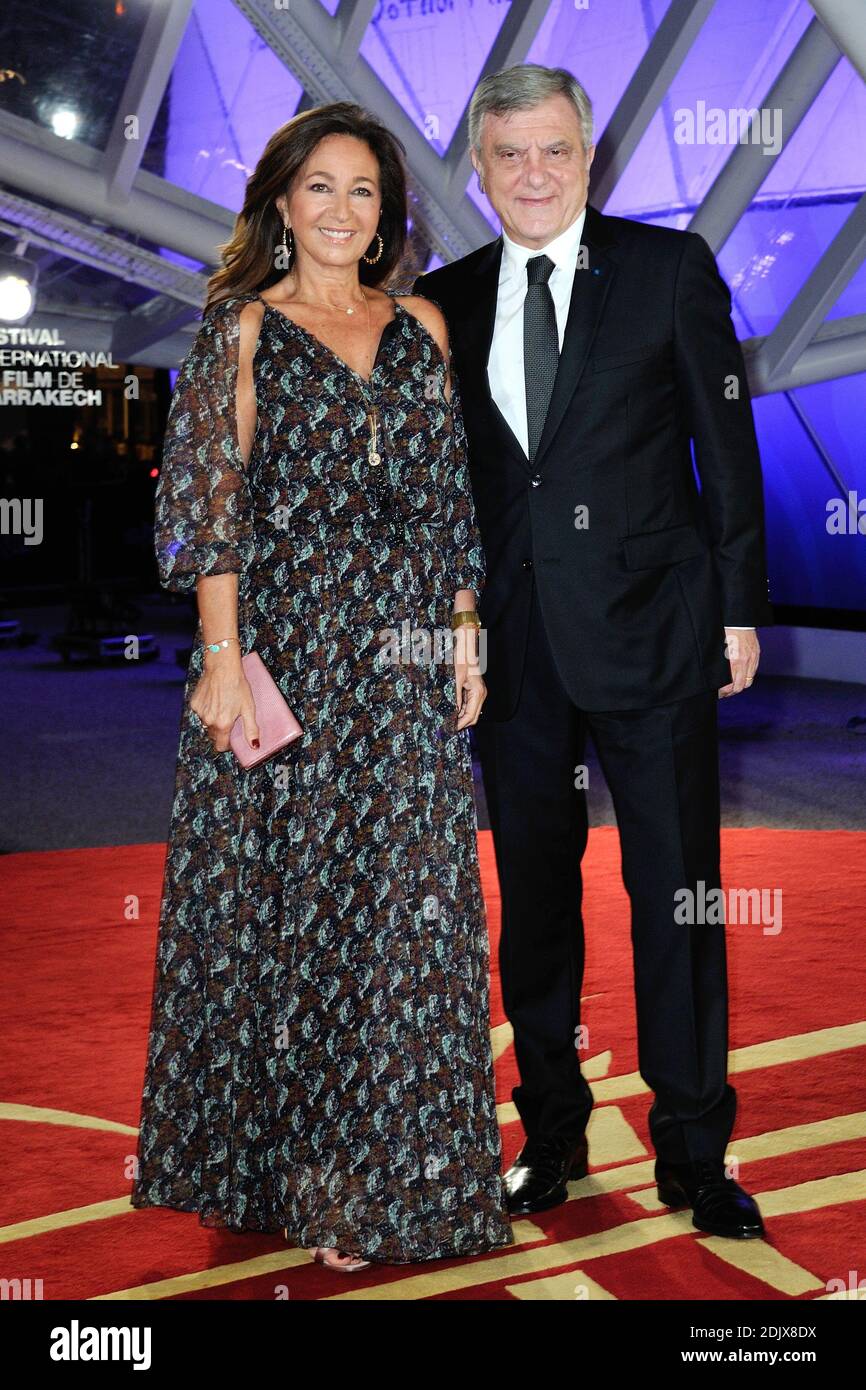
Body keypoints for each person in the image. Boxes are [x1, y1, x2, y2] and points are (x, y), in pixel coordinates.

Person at [131, 101, 514, 1272]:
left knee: (405, 922)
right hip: (285, 664)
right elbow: (209, 510)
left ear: (383, 213)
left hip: (400, 668)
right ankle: (312, 1181)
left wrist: (461, 631)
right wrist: (219, 666)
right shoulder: (242, 330)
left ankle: (404, 1172)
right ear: (281, 204)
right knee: (296, 928)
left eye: (363, 192)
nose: (343, 211)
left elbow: (449, 499)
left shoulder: (423, 328)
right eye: (320, 188)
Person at [413, 65, 774, 1240]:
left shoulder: (667, 271)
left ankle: (691, 1147)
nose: (531, 175)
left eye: (553, 151)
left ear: (588, 156)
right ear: (478, 168)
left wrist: (735, 610)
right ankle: (550, 1135)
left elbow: (726, 448)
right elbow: (447, 490)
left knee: (676, 897)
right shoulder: (443, 299)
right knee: (533, 906)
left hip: (656, 638)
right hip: (514, 655)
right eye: (507, 154)